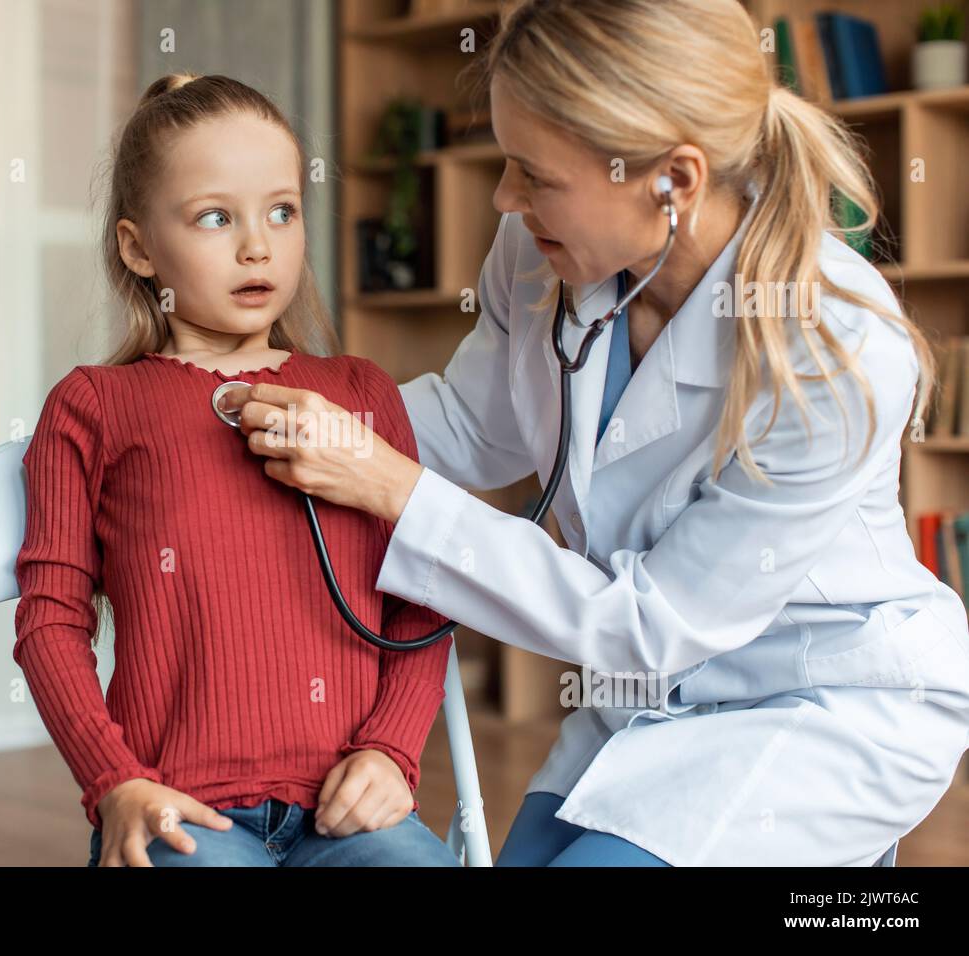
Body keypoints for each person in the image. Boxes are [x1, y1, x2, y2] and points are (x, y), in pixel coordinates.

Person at [223, 0, 969, 866]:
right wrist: (300, 416)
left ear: (673, 181)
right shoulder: (538, 249)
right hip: (642, 697)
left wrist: (390, 489)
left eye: (535, 175)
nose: (506, 198)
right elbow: (476, 422)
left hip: (817, 705)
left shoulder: (833, 347)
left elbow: (653, 621)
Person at [13, 72, 460, 867]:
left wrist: (391, 751)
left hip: (349, 811)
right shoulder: (94, 407)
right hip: (182, 811)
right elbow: (51, 621)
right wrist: (116, 783)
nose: (258, 245)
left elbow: (422, 601)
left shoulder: (361, 392)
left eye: (281, 211)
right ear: (138, 248)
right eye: (216, 217)